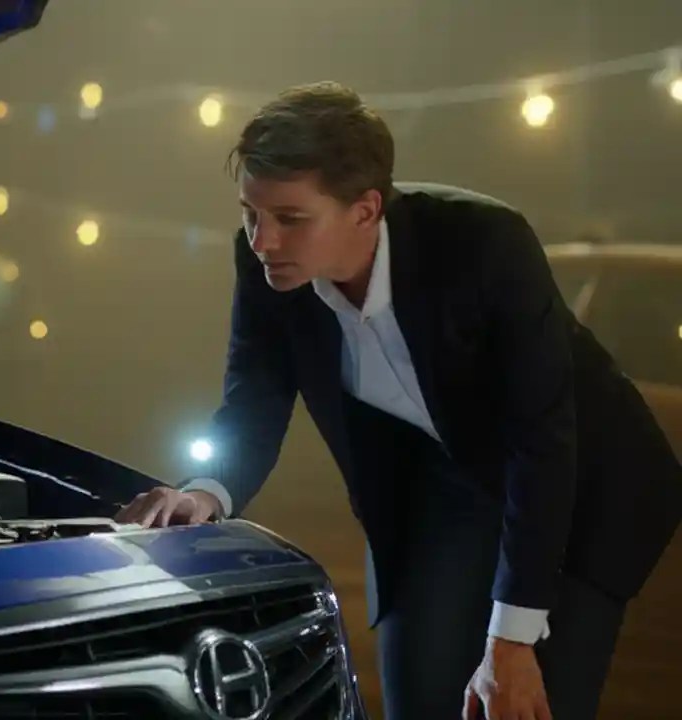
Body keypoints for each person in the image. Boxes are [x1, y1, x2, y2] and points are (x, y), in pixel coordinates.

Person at [115, 81, 682, 719]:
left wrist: (512, 639)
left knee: (527, 699)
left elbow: (542, 440)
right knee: (418, 696)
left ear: (365, 210)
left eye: (289, 219)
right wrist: (205, 492)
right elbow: (254, 399)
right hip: (439, 490)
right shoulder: (266, 267)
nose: (261, 241)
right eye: (250, 213)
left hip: (582, 485)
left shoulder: (485, 244)